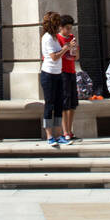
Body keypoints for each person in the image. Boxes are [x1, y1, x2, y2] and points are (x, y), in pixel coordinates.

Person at [40, 11, 76, 146]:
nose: (59, 25)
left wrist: (67, 48)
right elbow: (54, 57)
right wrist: (65, 48)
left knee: (59, 104)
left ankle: (60, 134)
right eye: (57, 22)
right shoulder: (47, 38)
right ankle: (50, 135)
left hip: (57, 73)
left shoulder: (54, 37)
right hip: (48, 74)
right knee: (50, 104)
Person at [58, 14, 79, 143]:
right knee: (65, 103)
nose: (69, 31)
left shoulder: (72, 38)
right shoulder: (58, 39)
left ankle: (70, 131)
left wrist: (74, 49)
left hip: (72, 71)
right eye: (67, 28)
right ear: (61, 27)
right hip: (62, 72)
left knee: (72, 104)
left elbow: (76, 57)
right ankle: (65, 131)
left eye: (70, 28)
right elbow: (56, 56)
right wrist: (67, 47)